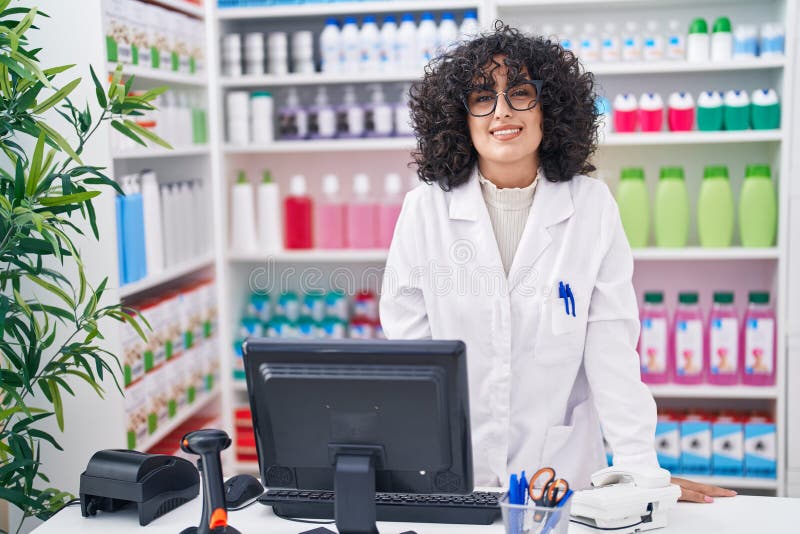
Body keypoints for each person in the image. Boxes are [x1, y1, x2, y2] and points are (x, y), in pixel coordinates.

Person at [379, 24, 736, 503]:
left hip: (565, 482)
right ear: (459, 117)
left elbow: (612, 352)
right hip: (451, 479)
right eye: (482, 97)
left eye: (520, 93)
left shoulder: (591, 207)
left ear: (550, 109)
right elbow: (411, 364)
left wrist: (639, 471)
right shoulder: (423, 212)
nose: (502, 111)